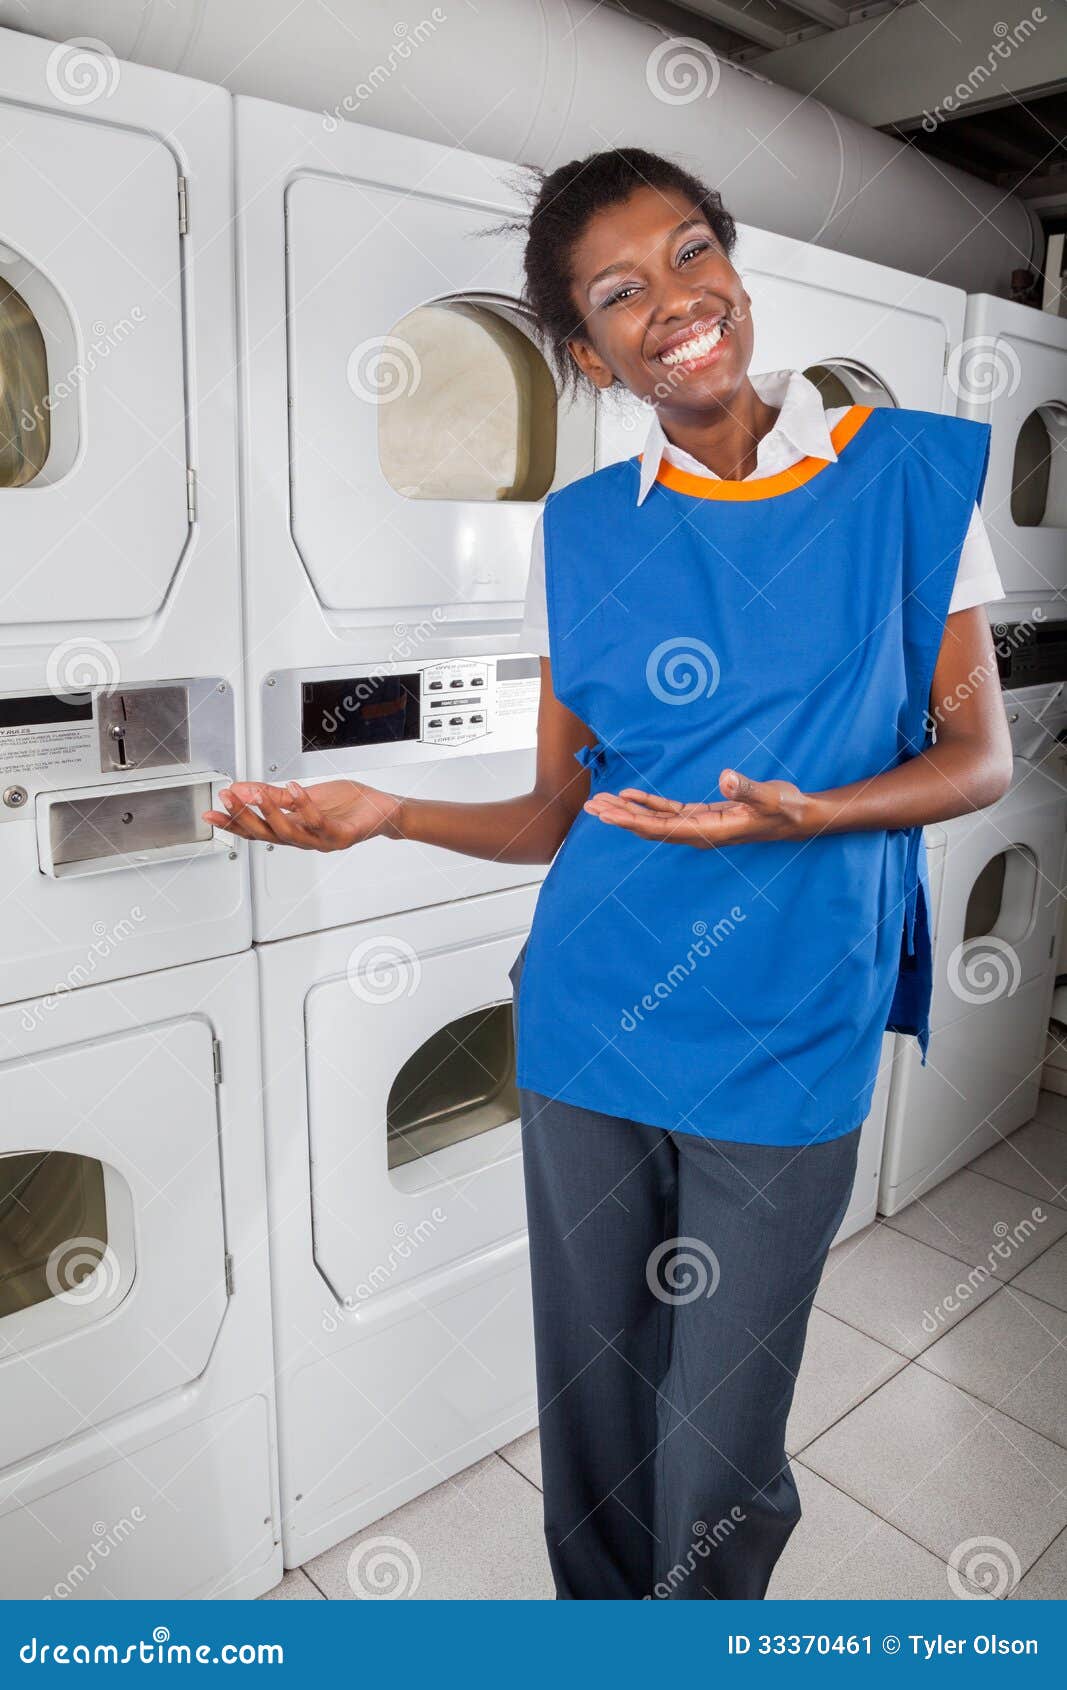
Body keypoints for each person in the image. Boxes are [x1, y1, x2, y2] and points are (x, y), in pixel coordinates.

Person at [204, 148, 1013, 1600]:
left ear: (736, 270)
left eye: (695, 251)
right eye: (623, 290)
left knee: (721, 1440)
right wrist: (385, 810)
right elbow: (554, 814)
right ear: (590, 351)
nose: (678, 300)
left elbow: (978, 762)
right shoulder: (581, 533)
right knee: (592, 1401)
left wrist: (807, 813)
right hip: (591, 1013)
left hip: (789, 1025)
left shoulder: (908, 477)